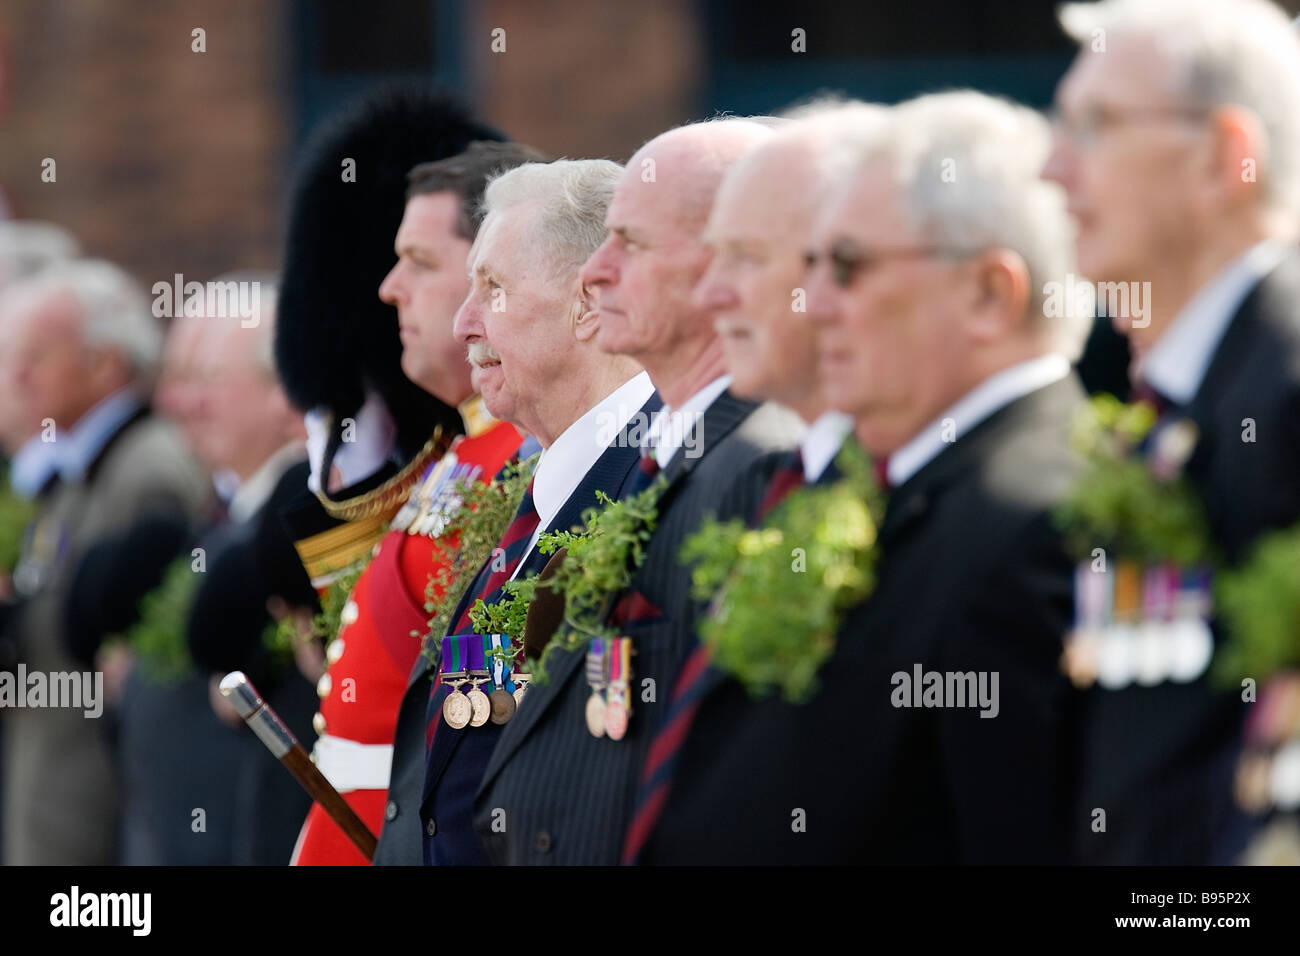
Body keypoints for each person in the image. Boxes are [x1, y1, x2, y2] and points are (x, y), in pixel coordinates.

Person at [645, 91, 1088, 864]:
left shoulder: (1028, 519)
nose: (815, 304)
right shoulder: (915, 492)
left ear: (988, 293)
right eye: (813, 264)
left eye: (846, 265)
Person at [473, 119, 803, 865]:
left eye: (633, 243)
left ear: (728, 265)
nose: (594, 272)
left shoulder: (756, 459)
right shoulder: (673, 449)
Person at [1042, 0, 1300, 865]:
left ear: (1225, 157)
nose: (1052, 168)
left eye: (1094, 125)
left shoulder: (1287, 380)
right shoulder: (1182, 396)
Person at [374, 159, 657, 865]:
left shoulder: (651, 484)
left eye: (492, 289)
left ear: (589, 303)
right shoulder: (531, 483)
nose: (465, 322)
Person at [291, 141, 544, 866]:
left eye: (422, 263)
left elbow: (487, 702)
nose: (390, 287)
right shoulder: (461, 451)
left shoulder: (524, 461)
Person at [0, 260, 209, 864]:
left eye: (38, 354)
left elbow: (138, 667)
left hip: (102, 811)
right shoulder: (73, 470)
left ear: (105, 361)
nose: (16, 374)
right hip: (53, 791)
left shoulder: (147, 470)